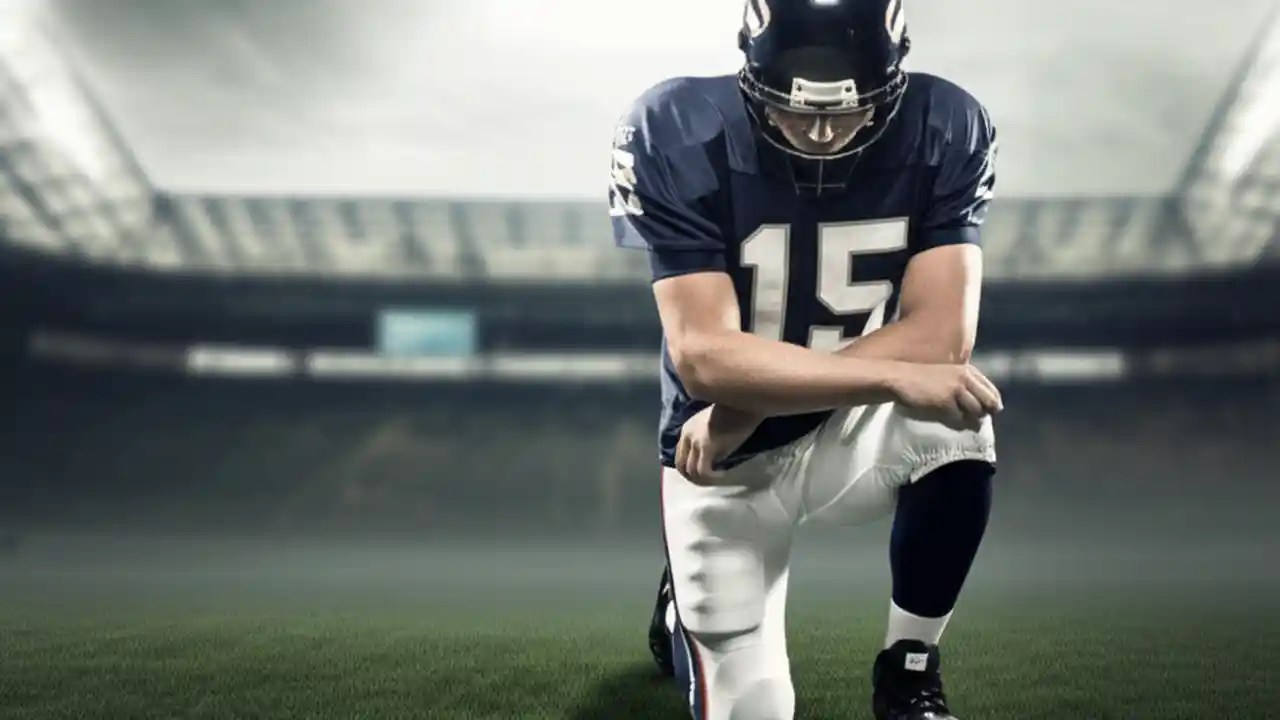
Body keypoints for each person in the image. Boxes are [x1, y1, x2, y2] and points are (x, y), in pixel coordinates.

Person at [608, 1, 1002, 718]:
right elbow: (703, 356)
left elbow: (942, 338)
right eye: (796, 111)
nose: (822, 133)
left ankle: (909, 669)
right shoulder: (676, 125)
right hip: (719, 457)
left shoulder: (946, 123)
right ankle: (678, 617)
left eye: (846, 112)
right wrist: (743, 406)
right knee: (756, 708)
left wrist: (751, 400)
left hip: (834, 428)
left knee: (958, 422)